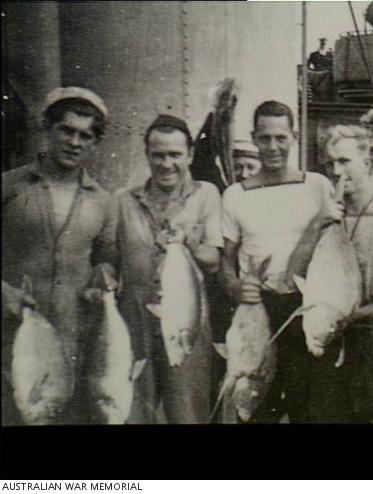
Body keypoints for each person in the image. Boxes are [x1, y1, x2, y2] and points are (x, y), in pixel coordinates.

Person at [288, 125, 373, 423]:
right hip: (328, 345)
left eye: (344, 161)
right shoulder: (321, 221)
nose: (336, 170)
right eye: (329, 163)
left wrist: (357, 315)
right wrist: (316, 226)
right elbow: (292, 277)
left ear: (367, 162)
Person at [2, 87, 115, 425]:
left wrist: (104, 277)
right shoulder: (10, 186)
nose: (75, 142)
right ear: (46, 128)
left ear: (95, 143)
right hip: (9, 341)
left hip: (72, 343)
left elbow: (106, 258)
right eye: (66, 130)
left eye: (86, 135)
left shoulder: (102, 202)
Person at [221, 100, 339, 423]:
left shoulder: (317, 186)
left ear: (294, 137)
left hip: (307, 311)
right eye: (264, 138)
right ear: (254, 138)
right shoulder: (235, 195)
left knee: (311, 409)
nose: (273, 146)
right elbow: (225, 263)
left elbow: (335, 252)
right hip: (259, 311)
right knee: (257, 408)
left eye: (281, 138)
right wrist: (236, 288)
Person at [113, 114, 223, 424]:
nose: (166, 164)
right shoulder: (122, 201)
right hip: (134, 323)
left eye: (175, 155)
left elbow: (213, 260)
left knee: (187, 415)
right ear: (147, 155)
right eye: (158, 155)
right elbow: (108, 259)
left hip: (186, 319)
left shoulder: (206, 195)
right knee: (133, 413)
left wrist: (187, 242)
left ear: (189, 155)